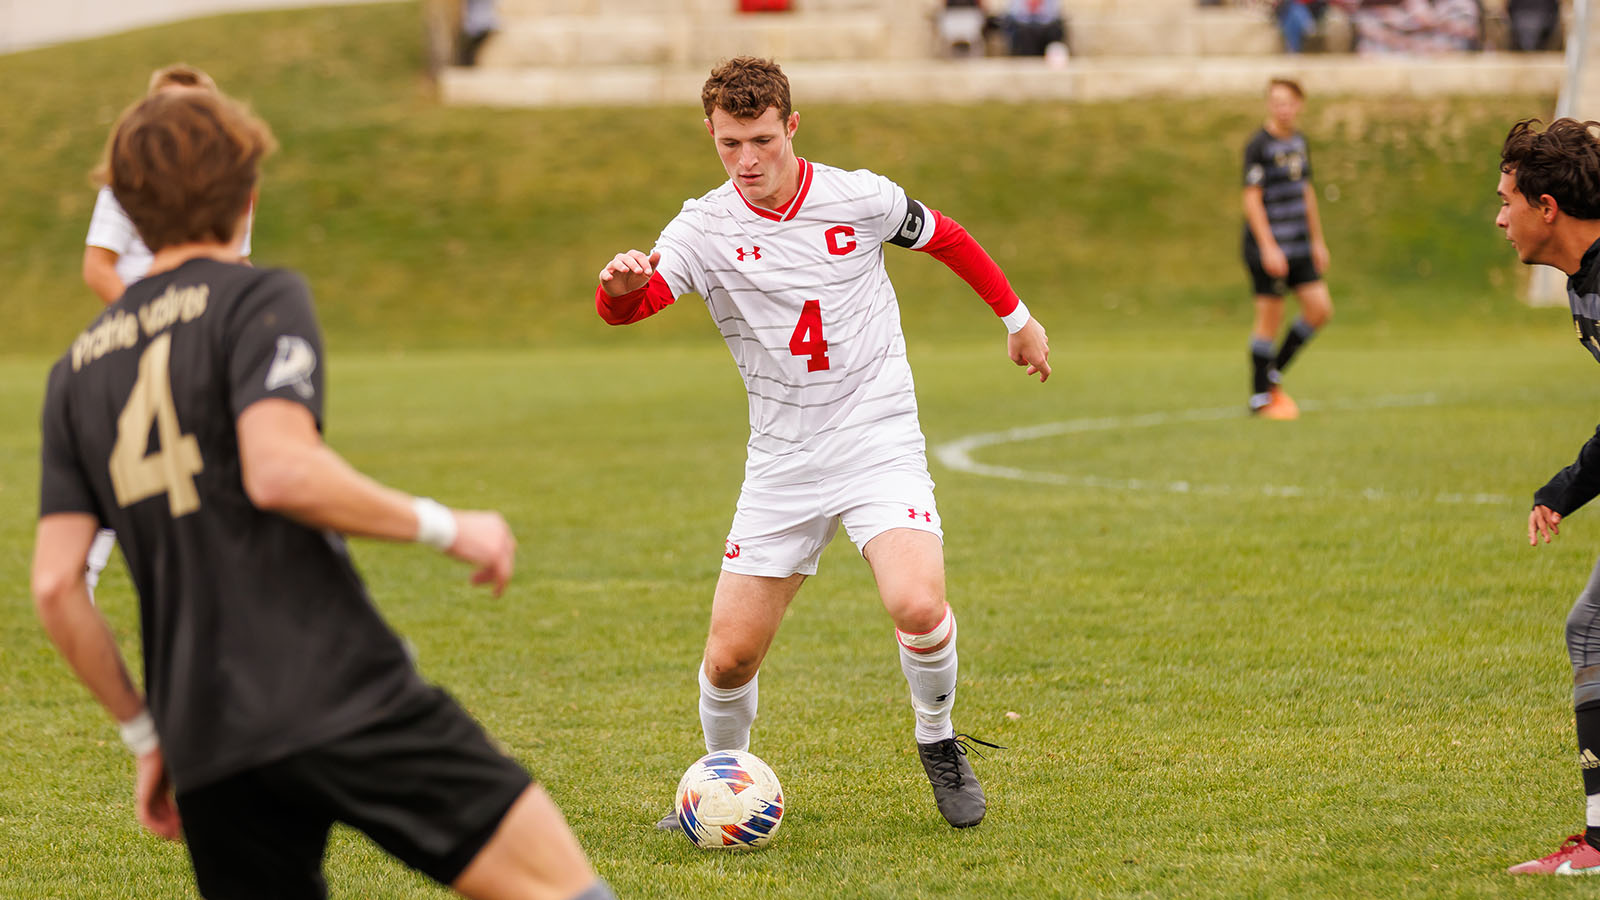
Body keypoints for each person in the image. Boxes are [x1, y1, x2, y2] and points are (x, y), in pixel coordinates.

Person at [32, 88, 613, 900]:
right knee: (562, 889)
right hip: (337, 687)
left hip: (206, 740)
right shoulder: (255, 297)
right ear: (247, 196)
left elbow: (56, 585)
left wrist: (144, 732)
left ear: (125, 209)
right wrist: (447, 526)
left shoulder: (74, 372)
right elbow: (280, 470)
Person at [594, 56, 1050, 831]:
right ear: (710, 133)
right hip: (782, 458)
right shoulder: (702, 227)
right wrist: (620, 287)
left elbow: (946, 236)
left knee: (918, 604)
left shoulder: (859, 197)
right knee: (729, 658)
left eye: (762, 140)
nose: (747, 161)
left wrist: (1018, 320)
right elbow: (633, 307)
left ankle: (937, 739)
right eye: (729, 143)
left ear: (792, 127)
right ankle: (720, 781)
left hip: (877, 437)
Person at [79, 63, 255, 606]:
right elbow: (97, 268)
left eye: (198, 110)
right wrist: (145, 320)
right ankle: (83, 565)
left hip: (202, 335)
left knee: (211, 452)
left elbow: (235, 262)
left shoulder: (231, 190)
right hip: (143, 341)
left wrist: (248, 315)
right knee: (128, 451)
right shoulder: (126, 186)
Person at [1501, 117, 1600, 876]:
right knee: (1590, 631)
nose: (1499, 219)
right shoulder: (1585, 282)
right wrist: (1566, 490)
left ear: (1546, 207)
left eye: (1507, 202)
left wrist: (1567, 486)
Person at [1240, 77, 1332, 419]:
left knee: (1319, 309)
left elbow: (1305, 191)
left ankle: (1272, 373)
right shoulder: (1258, 146)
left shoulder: (1298, 142)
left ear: (1299, 105)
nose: (1282, 108)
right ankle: (1260, 398)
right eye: (1276, 101)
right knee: (1270, 318)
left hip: (1298, 244)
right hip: (1268, 247)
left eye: (1288, 102)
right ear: (1269, 104)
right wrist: (1268, 247)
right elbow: (1251, 199)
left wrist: (1317, 240)